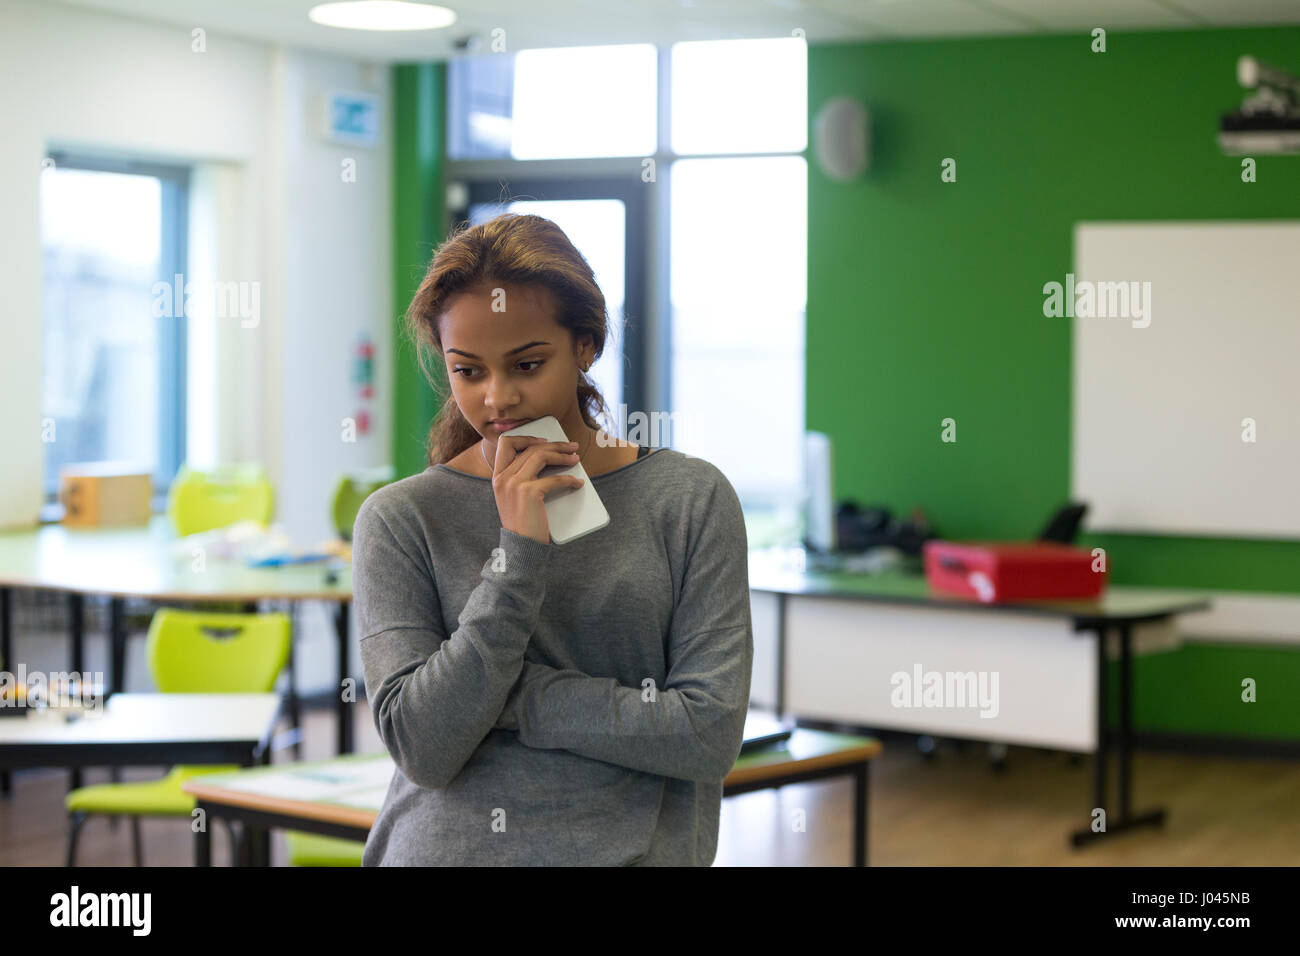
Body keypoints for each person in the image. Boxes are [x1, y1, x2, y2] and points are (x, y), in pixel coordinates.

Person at [355, 212, 753, 865]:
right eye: (468, 371)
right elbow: (425, 747)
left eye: (527, 363)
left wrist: (518, 697)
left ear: (586, 345)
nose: (497, 398)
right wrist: (519, 555)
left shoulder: (689, 500)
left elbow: (705, 736)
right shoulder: (401, 518)